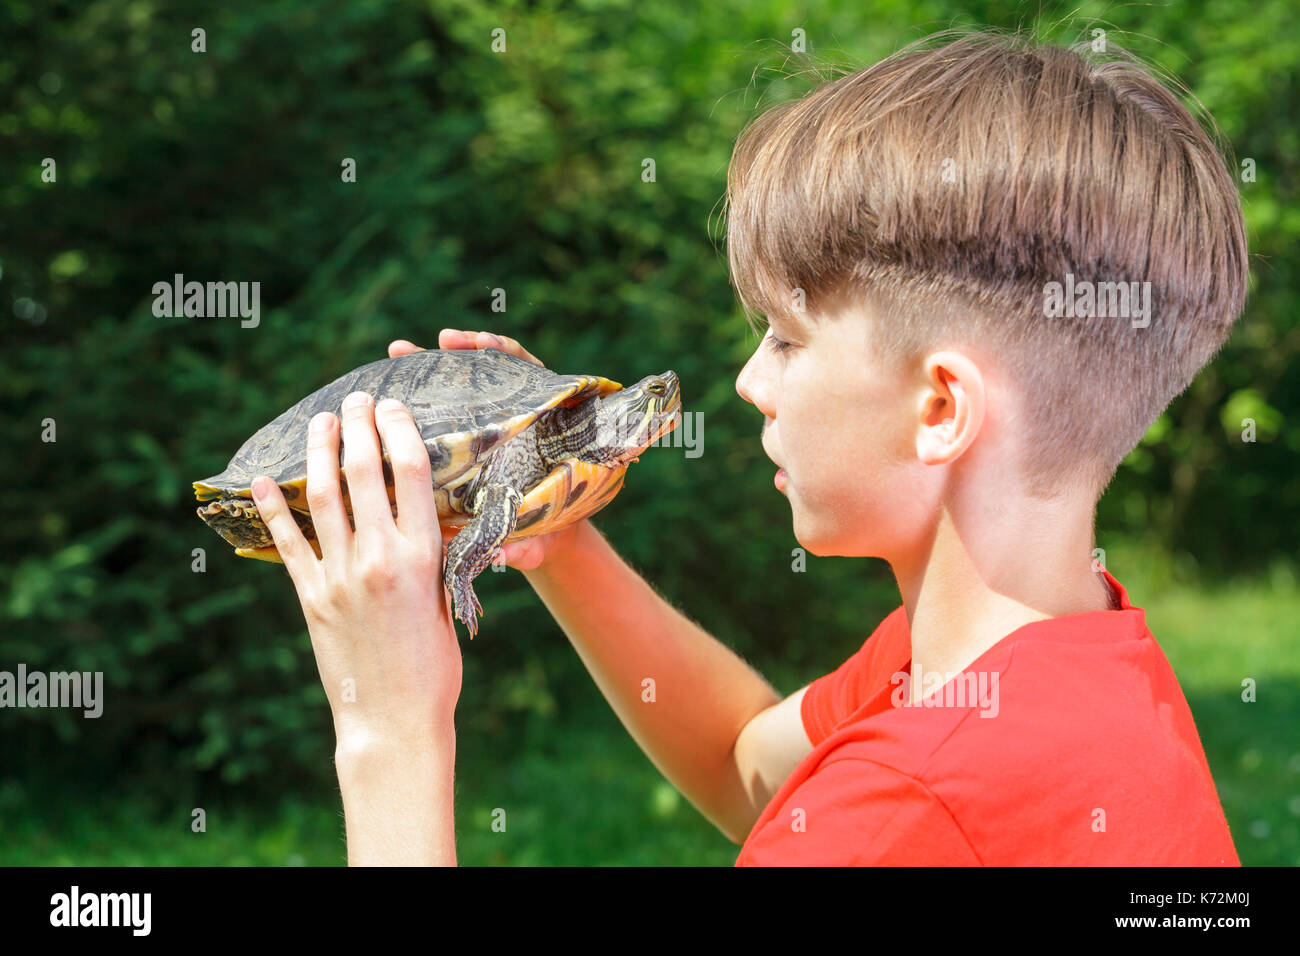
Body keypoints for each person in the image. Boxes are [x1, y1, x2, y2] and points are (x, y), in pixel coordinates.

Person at [250, 29, 1246, 865]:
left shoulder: (909, 799)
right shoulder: (1043, 661)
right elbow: (745, 763)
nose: (748, 379)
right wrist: (558, 532)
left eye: (784, 337)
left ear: (939, 405)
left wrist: (387, 732)